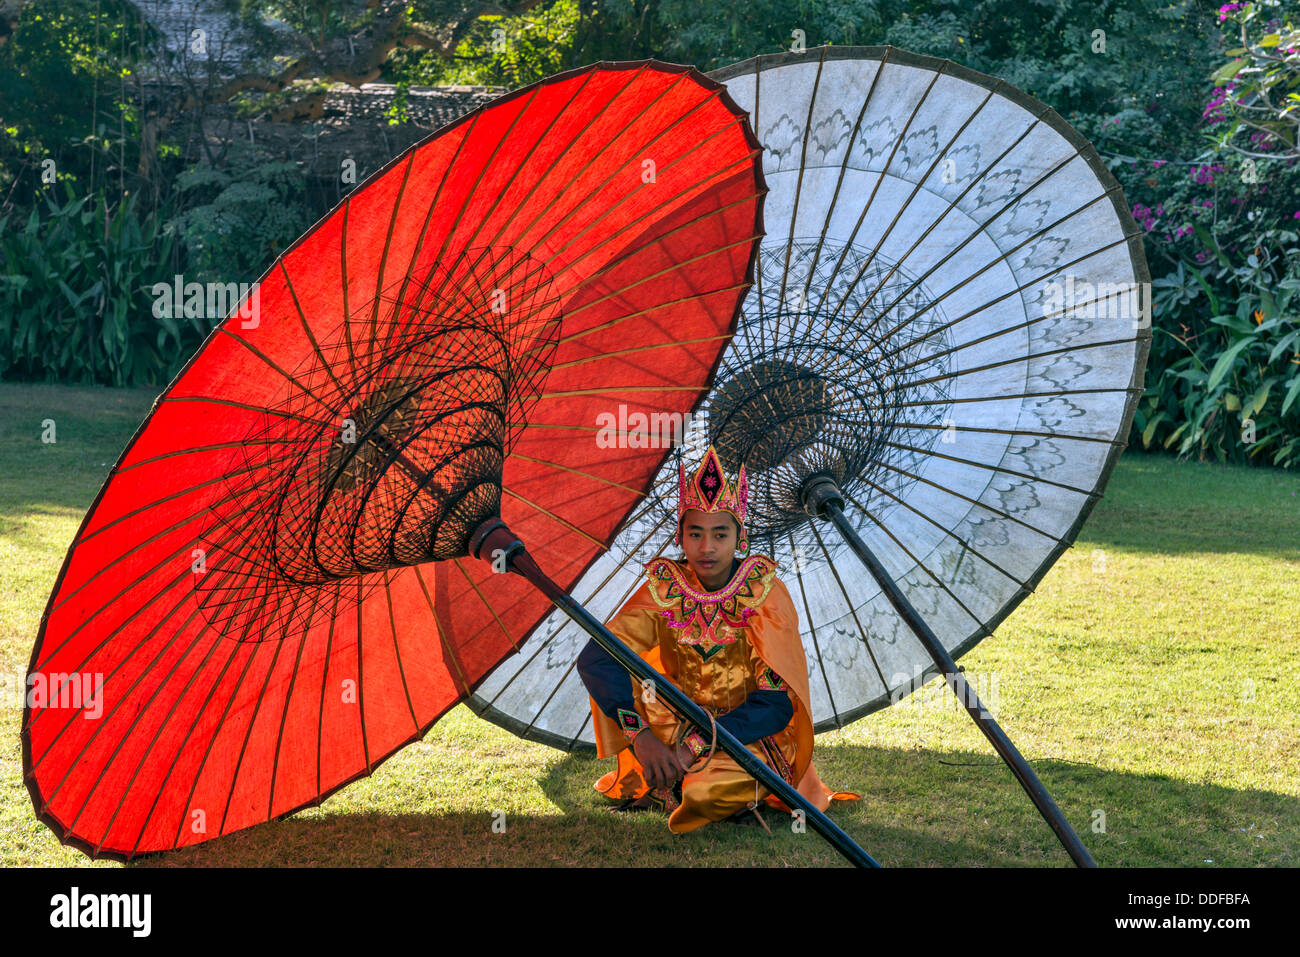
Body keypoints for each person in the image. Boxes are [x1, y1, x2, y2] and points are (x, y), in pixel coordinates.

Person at [576, 444, 857, 831]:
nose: (707, 548)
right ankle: (673, 776)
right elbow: (597, 658)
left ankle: (687, 784)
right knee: (640, 693)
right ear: (681, 536)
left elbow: (775, 704)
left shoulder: (764, 593)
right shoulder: (663, 589)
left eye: (720, 534)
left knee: (703, 794)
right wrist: (639, 735)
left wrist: (693, 747)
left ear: (740, 537)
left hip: (747, 736)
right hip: (672, 725)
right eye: (696, 533)